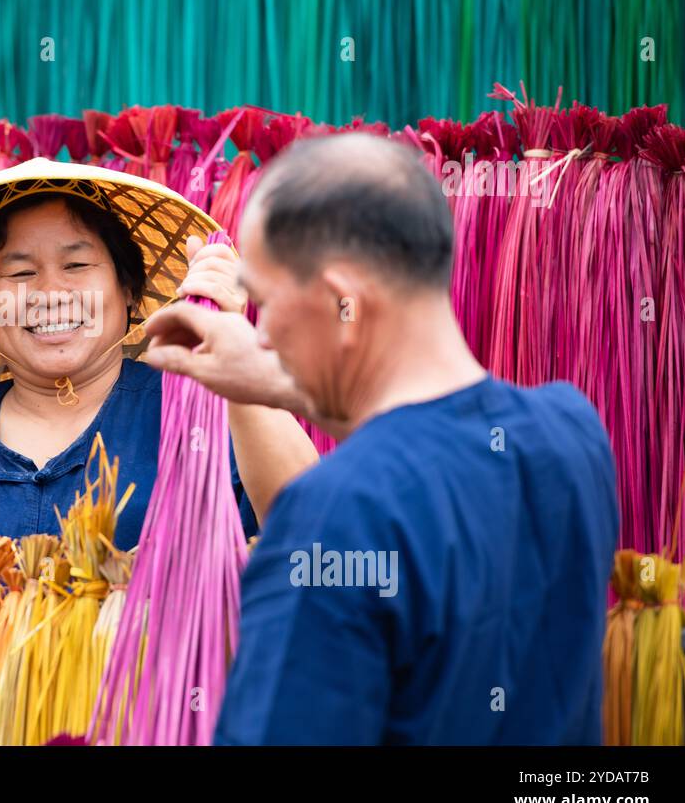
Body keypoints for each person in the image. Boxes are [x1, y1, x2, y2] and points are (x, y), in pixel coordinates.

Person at [145, 134, 620, 744]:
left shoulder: (333, 513)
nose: (262, 337)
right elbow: (431, 439)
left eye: (264, 303)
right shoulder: (572, 434)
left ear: (345, 302)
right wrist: (277, 385)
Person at [0, 158, 318, 564]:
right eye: (21, 272)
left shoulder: (199, 414)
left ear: (127, 290)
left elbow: (314, 530)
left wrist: (237, 364)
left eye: (77, 265)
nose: (50, 293)